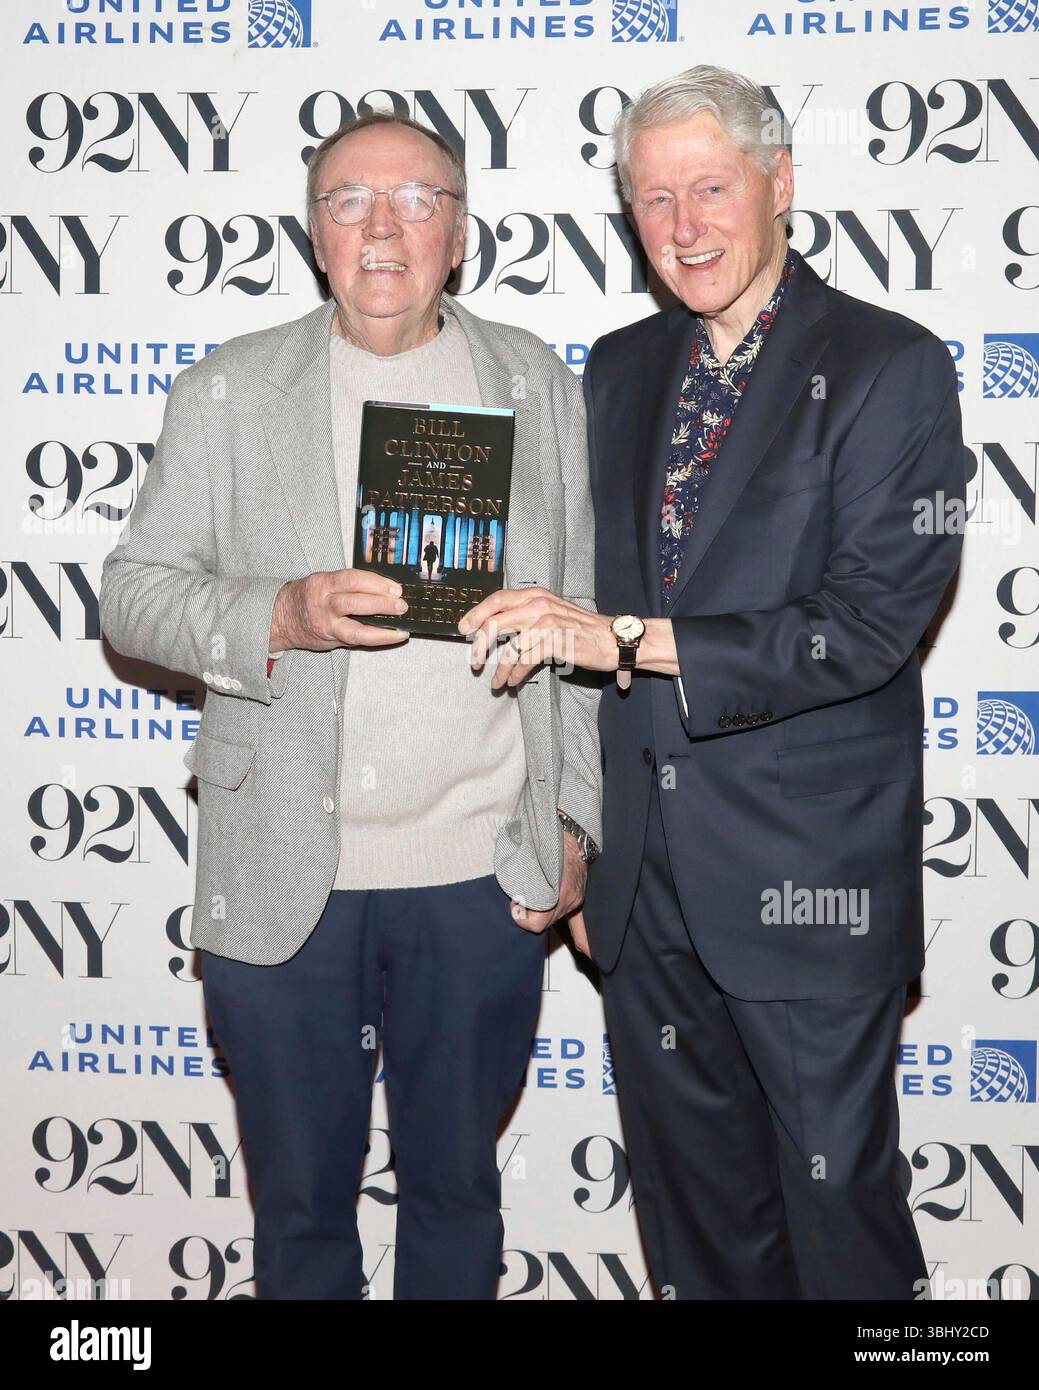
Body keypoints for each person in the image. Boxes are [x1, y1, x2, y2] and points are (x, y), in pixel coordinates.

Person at [459, 65, 968, 1300]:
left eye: (709, 188)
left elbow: (866, 623)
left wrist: (627, 638)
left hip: (807, 883)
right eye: (651, 199)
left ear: (778, 185)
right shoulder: (620, 369)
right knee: (696, 1232)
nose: (683, 226)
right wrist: (584, 839)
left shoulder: (887, 365)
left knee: (839, 1215)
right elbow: (563, 613)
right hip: (642, 893)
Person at [98, 111, 602, 1301]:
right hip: (283, 877)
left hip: (482, 876)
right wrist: (279, 613)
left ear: (461, 232)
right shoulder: (227, 389)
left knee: (454, 1202)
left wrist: (574, 828)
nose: (382, 228)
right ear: (312, 231)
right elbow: (132, 598)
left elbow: (582, 620)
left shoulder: (533, 378)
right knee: (302, 1216)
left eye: (417, 200)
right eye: (349, 202)